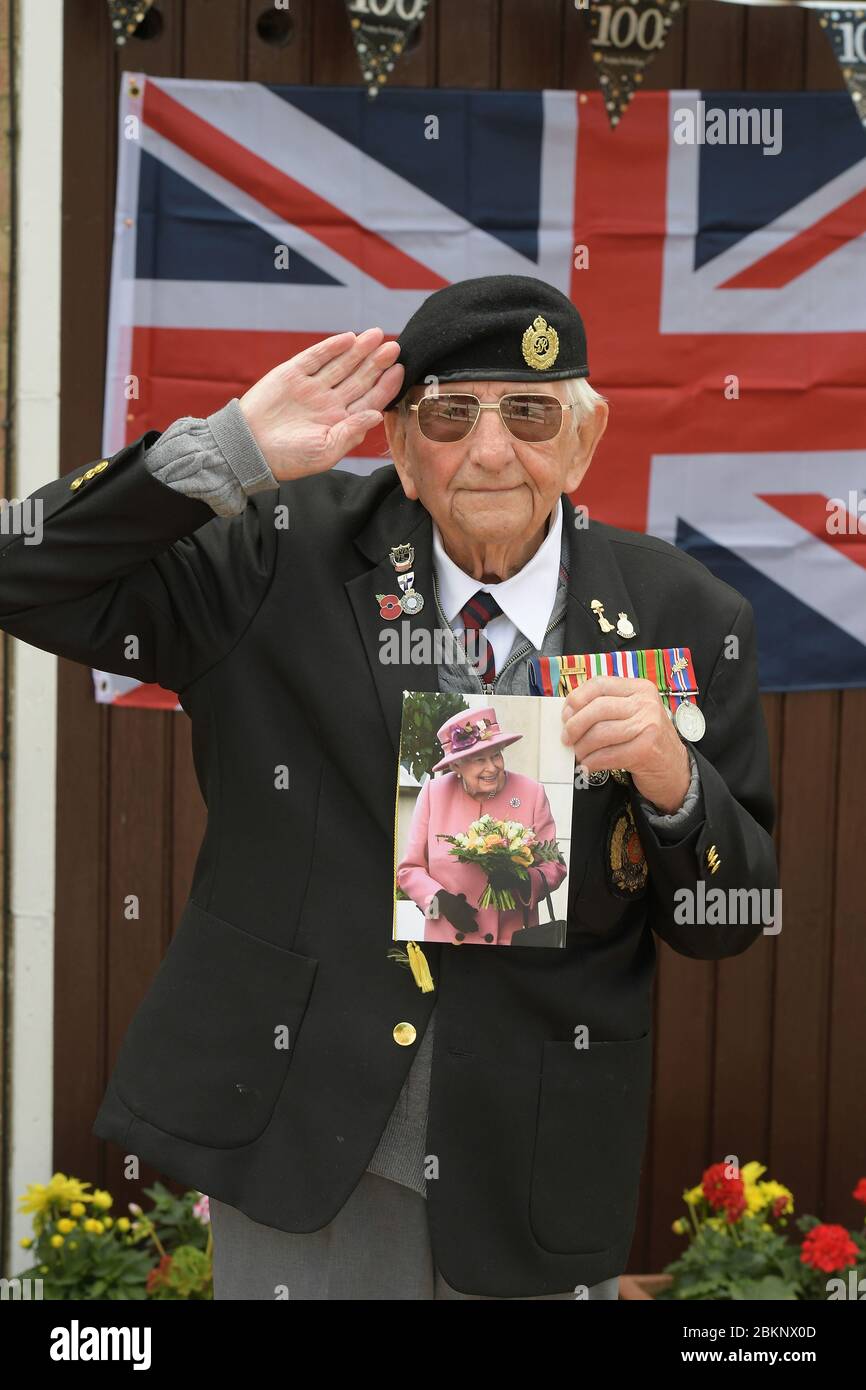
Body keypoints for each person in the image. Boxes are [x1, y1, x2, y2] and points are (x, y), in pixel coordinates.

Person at [0, 274, 777, 1300]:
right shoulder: (282, 553)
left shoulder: (686, 612)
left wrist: (674, 783)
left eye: (530, 414)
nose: (490, 451)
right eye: (449, 416)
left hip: (529, 1158)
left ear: (585, 441)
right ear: (402, 449)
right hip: (301, 1134)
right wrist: (225, 451)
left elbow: (731, 916)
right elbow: (22, 569)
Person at [397, 707, 567, 945]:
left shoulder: (532, 793)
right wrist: (441, 901)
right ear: (456, 766)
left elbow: (555, 866)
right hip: (448, 940)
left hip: (512, 941)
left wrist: (525, 881)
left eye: (496, 755)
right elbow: (409, 871)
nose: (493, 767)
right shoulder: (433, 794)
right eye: (479, 759)